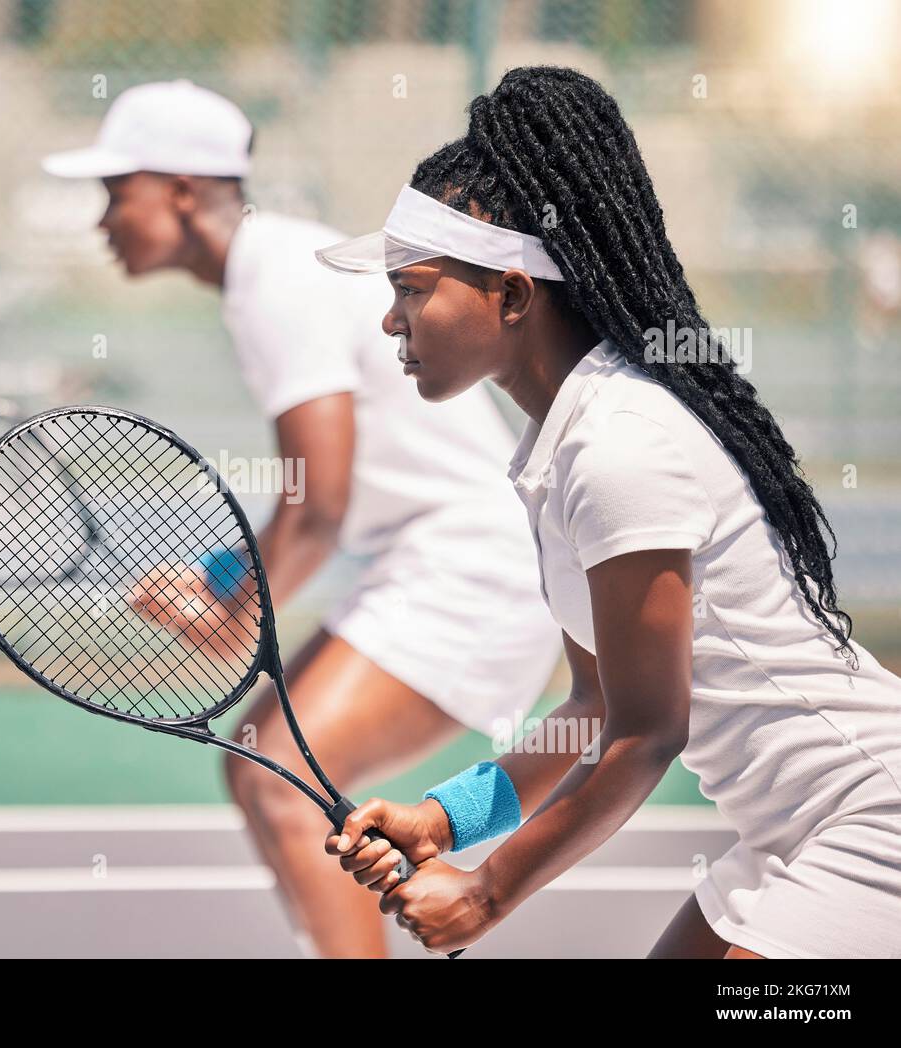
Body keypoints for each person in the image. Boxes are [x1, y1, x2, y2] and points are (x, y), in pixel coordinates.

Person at [320, 65, 901, 959]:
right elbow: (592, 706)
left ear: (511, 295)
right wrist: (447, 817)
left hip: (873, 820)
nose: (393, 323)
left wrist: (485, 895)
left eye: (413, 289)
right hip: (797, 829)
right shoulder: (566, 444)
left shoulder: (620, 449)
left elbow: (646, 733)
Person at [42, 79, 561, 957]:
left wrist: (238, 617)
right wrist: (222, 581)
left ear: (177, 190)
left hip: (470, 572)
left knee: (278, 783)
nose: (101, 222)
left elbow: (315, 504)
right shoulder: (275, 267)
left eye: (113, 193)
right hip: (442, 563)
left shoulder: (273, 278)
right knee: (260, 767)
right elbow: (333, 490)